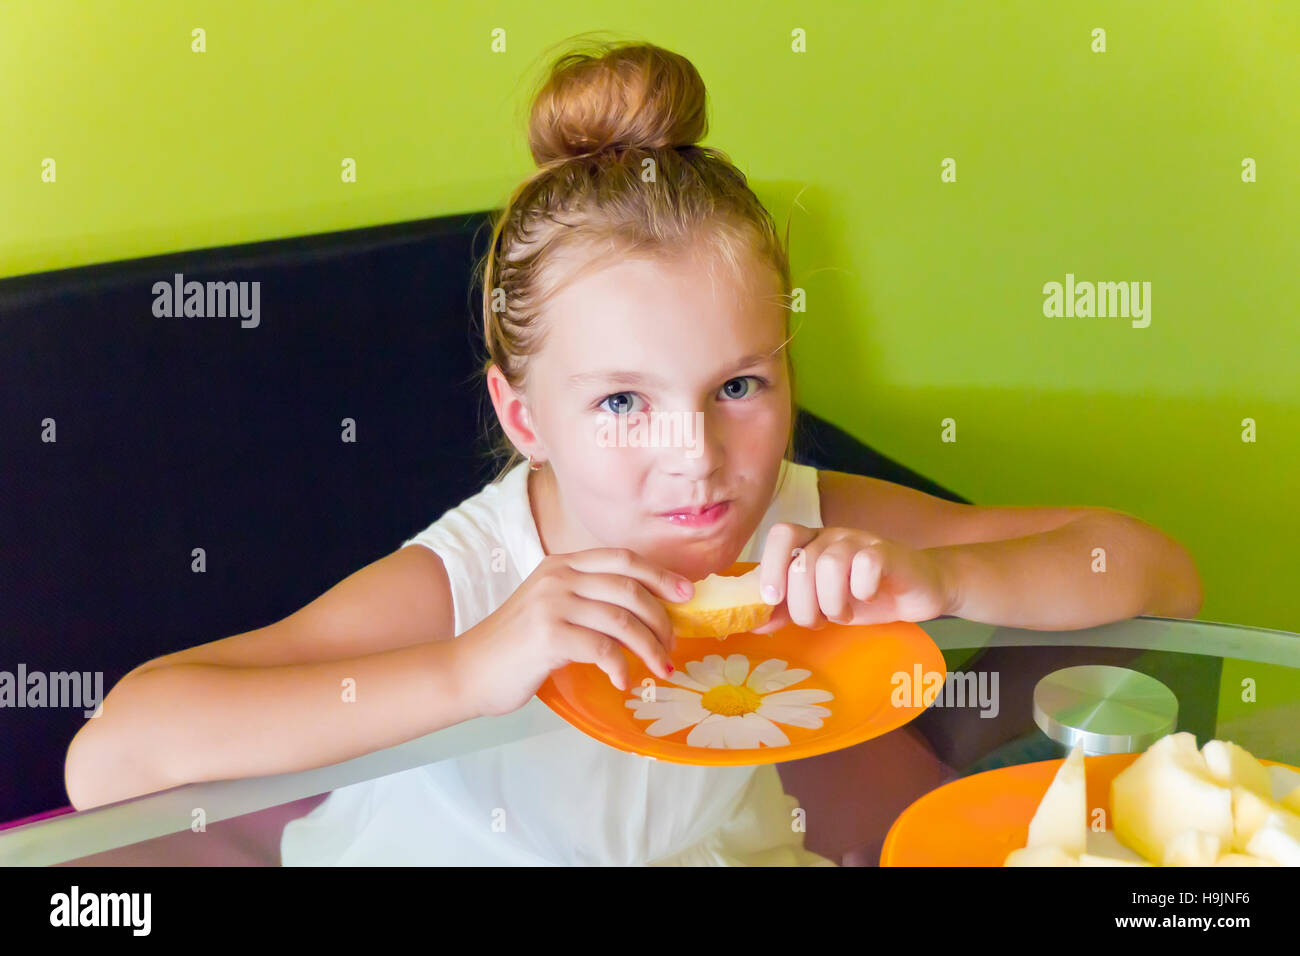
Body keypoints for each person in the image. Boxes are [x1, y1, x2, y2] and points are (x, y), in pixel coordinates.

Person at [67, 36, 1203, 866]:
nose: (697, 457)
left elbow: (1151, 570)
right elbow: (109, 758)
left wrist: (947, 575)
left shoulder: (792, 517)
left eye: (740, 385)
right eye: (619, 401)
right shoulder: (473, 577)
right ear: (524, 418)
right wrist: (471, 669)